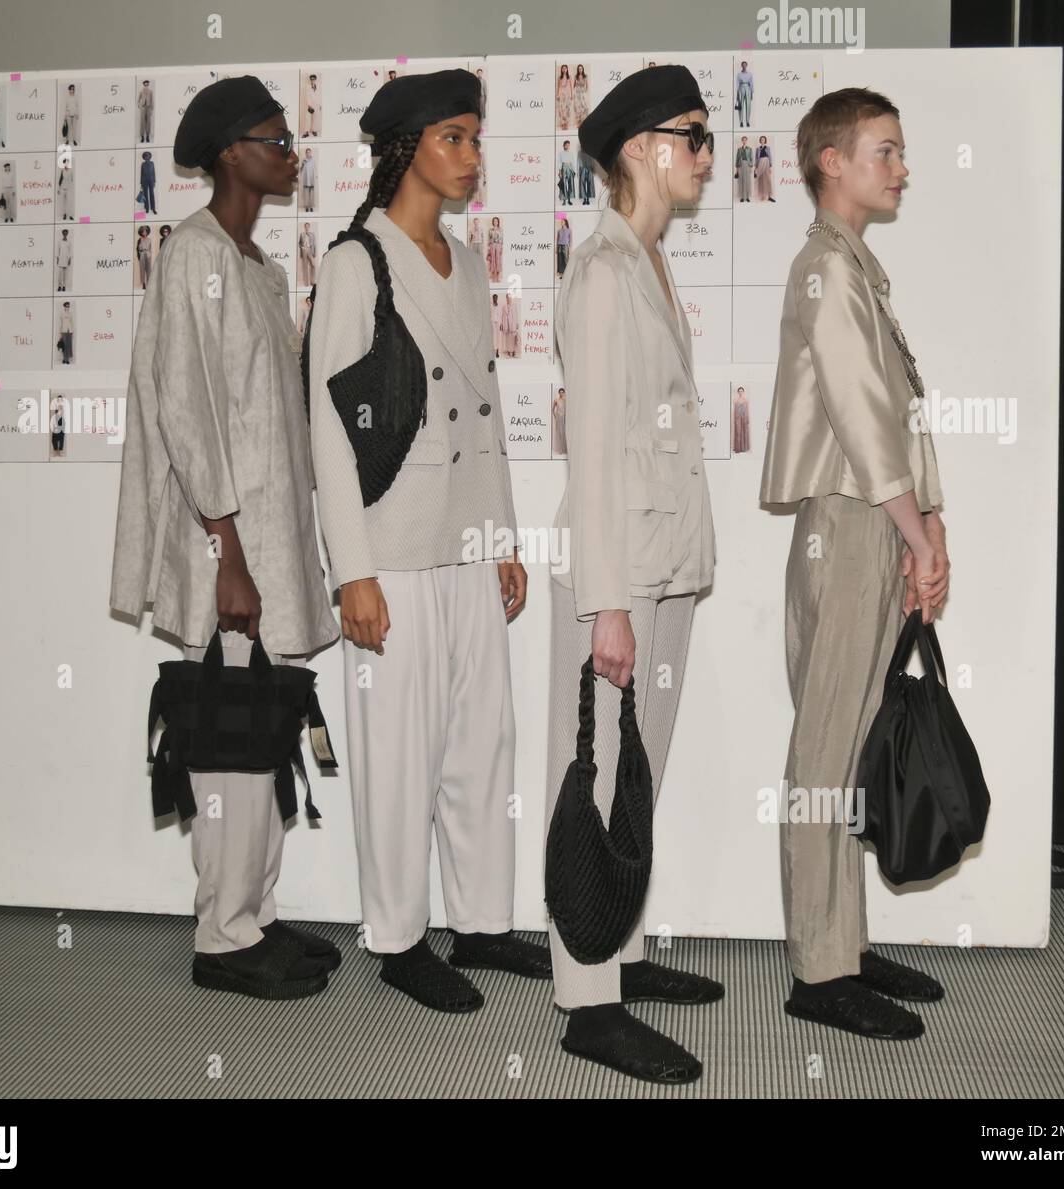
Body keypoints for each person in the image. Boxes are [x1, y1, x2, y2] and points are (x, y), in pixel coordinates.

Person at [304, 68, 550, 1013]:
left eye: (476, 138)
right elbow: (327, 426)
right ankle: (400, 936)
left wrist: (502, 538)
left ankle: (483, 923)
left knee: (480, 742)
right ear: (406, 145)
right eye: (454, 137)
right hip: (393, 549)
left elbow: (484, 410)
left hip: (464, 542)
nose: (471, 156)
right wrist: (351, 570)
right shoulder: (355, 261)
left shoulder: (471, 262)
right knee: (398, 754)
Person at [110, 74, 342, 1000]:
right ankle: (222, 938)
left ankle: (255, 913)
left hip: (269, 544)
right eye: (277, 139)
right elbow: (187, 411)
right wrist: (227, 552)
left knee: (265, 731)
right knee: (230, 742)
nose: (291, 153)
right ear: (229, 153)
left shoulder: (259, 268)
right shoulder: (193, 255)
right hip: (230, 548)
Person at [759, 87, 949, 1040]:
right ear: (831, 160)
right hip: (850, 523)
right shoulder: (824, 272)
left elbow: (895, 415)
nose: (901, 166)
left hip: (876, 520)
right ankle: (817, 971)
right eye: (885, 150)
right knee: (828, 748)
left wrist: (929, 527)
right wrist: (917, 532)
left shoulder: (855, 269)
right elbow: (865, 423)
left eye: (903, 152)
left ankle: (843, 940)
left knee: (859, 737)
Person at [546, 64, 720, 1085]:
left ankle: (619, 949)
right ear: (644, 147)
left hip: (662, 561)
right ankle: (585, 999)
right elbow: (595, 451)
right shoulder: (606, 271)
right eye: (693, 137)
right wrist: (605, 602)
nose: (704, 156)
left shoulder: (646, 262)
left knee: (636, 770)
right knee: (599, 776)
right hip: (622, 571)